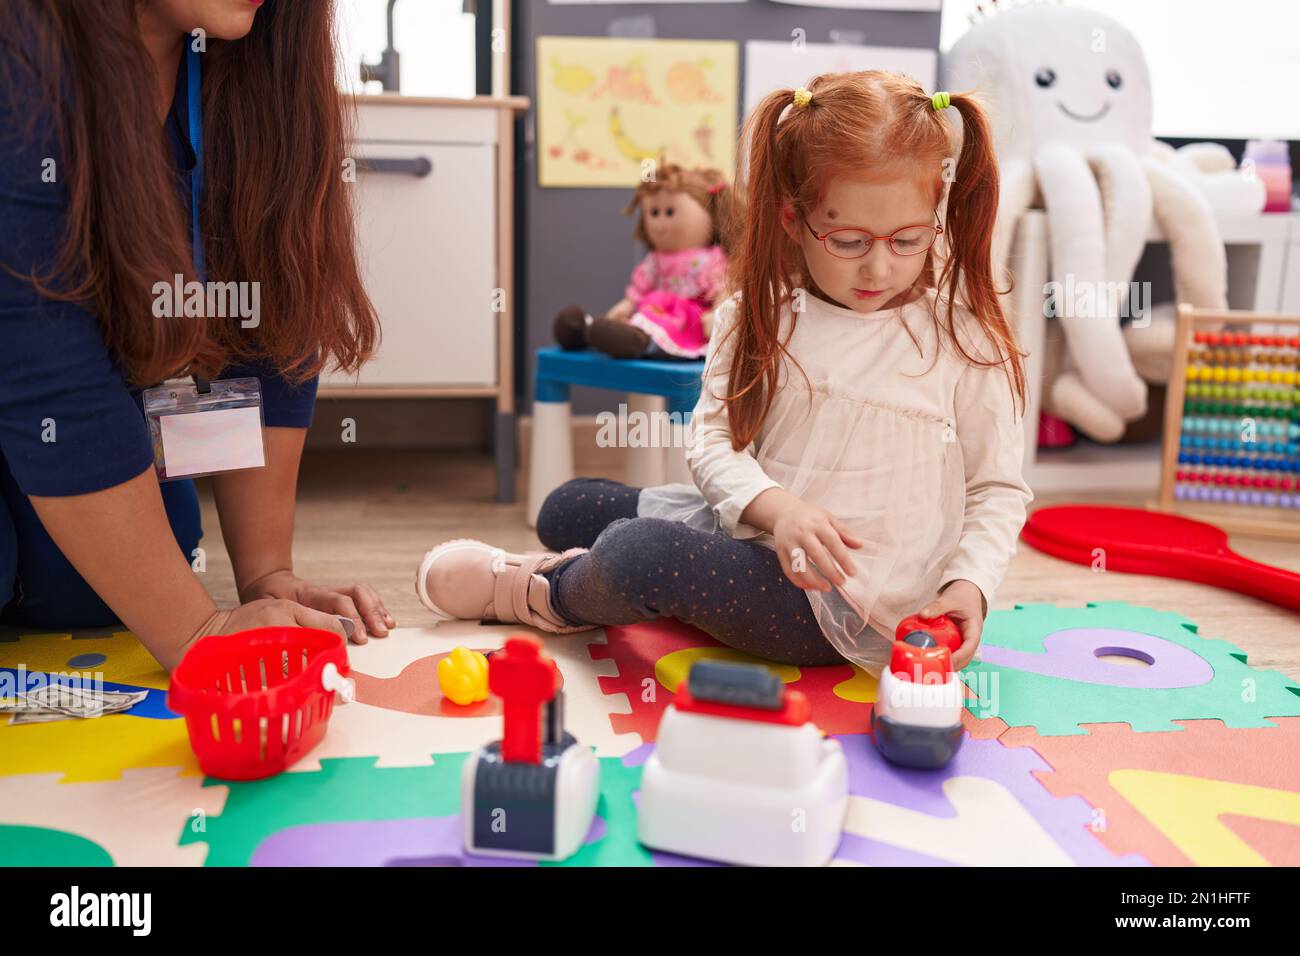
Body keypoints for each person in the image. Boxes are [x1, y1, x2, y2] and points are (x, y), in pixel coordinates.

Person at [414, 72, 1032, 674]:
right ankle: (603, 565)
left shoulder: (963, 336)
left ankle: (545, 592)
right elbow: (713, 443)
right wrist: (779, 510)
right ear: (795, 220)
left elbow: (996, 489)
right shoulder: (757, 315)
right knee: (567, 505)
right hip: (754, 534)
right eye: (848, 241)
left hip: (834, 606)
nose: (878, 268)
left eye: (907, 239)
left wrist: (970, 586)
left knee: (639, 554)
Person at [0, 0, 389, 670]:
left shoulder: (246, 67)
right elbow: (43, 373)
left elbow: (270, 321)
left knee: (157, 543)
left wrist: (268, 575)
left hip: (54, 437)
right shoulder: (23, 57)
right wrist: (195, 634)